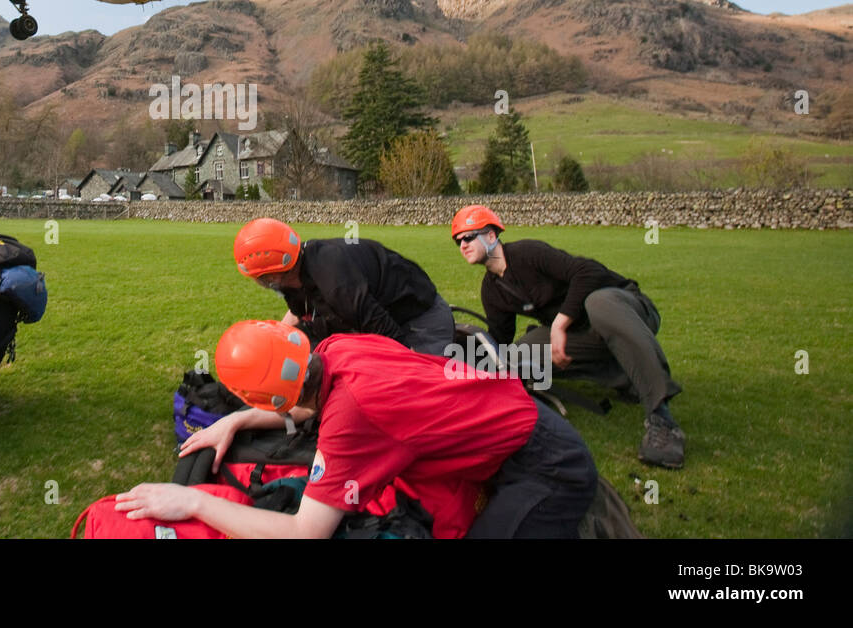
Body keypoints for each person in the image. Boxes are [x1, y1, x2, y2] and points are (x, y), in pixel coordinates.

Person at [115, 320, 597, 538]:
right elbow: (306, 397)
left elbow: (306, 533)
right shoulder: (339, 348)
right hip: (515, 420)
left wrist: (195, 500)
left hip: (547, 468)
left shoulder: (353, 422)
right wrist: (238, 419)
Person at [450, 204, 686, 469]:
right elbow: (499, 344)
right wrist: (462, 358)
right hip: (584, 335)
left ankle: (662, 420)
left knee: (599, 303)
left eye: (469, 236)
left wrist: (559, 324)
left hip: (625, 310)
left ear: (491, 236)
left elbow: (588, 271)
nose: (463, 245)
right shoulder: (492, 290)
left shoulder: (527, 253)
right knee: (521, 352)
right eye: (458, 241)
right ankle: (625, 376)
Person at [233, 217, 454, 355]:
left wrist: (416, 367)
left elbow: (386, 332)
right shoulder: (298, 271)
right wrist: (276, 341)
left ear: (272, 275)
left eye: (259, 278)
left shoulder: (334, 282)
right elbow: (298, 311)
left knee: (420, 393)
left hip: (420, 322)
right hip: (385, 319)